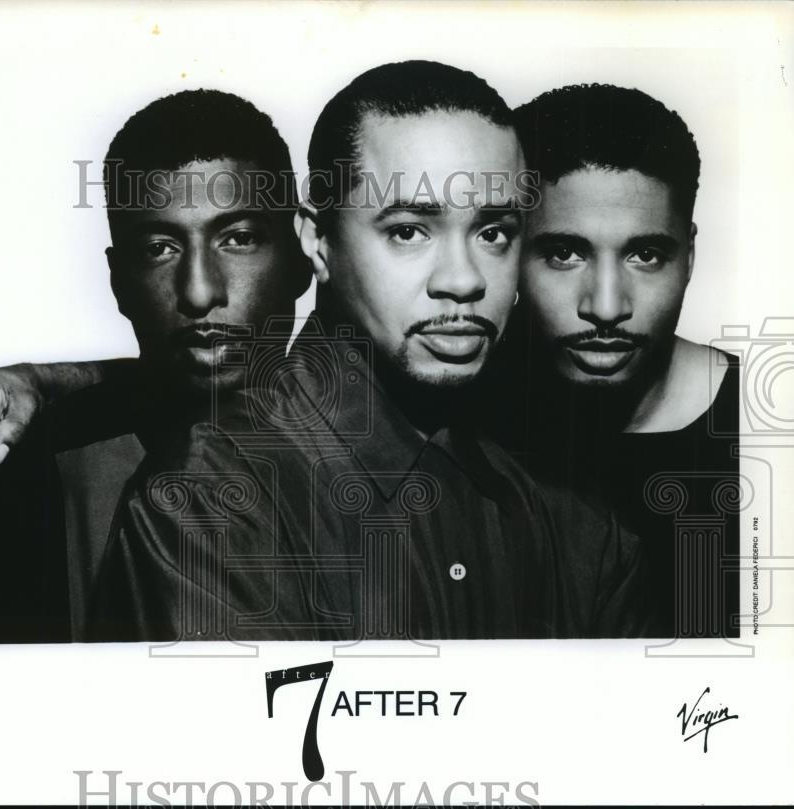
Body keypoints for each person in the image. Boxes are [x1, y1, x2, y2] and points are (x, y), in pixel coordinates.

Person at [86, 61, 653, 642]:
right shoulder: (206, 504)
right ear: (317, 240)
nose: (461, 280)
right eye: (408, 230)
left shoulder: (584, 531)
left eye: (493, 233)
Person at [0, 89, 310, 643]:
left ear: (302, 258)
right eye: (159, 248)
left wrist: (48, 378)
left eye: (238, 239)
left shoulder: (403, 460)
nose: (199, 290)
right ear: (119, 282)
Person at [488, 84, 740, 637]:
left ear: (690, 256)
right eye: (563, 253)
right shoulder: (453, 427)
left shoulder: (769, 433)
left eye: (645, 255)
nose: (605, 305)